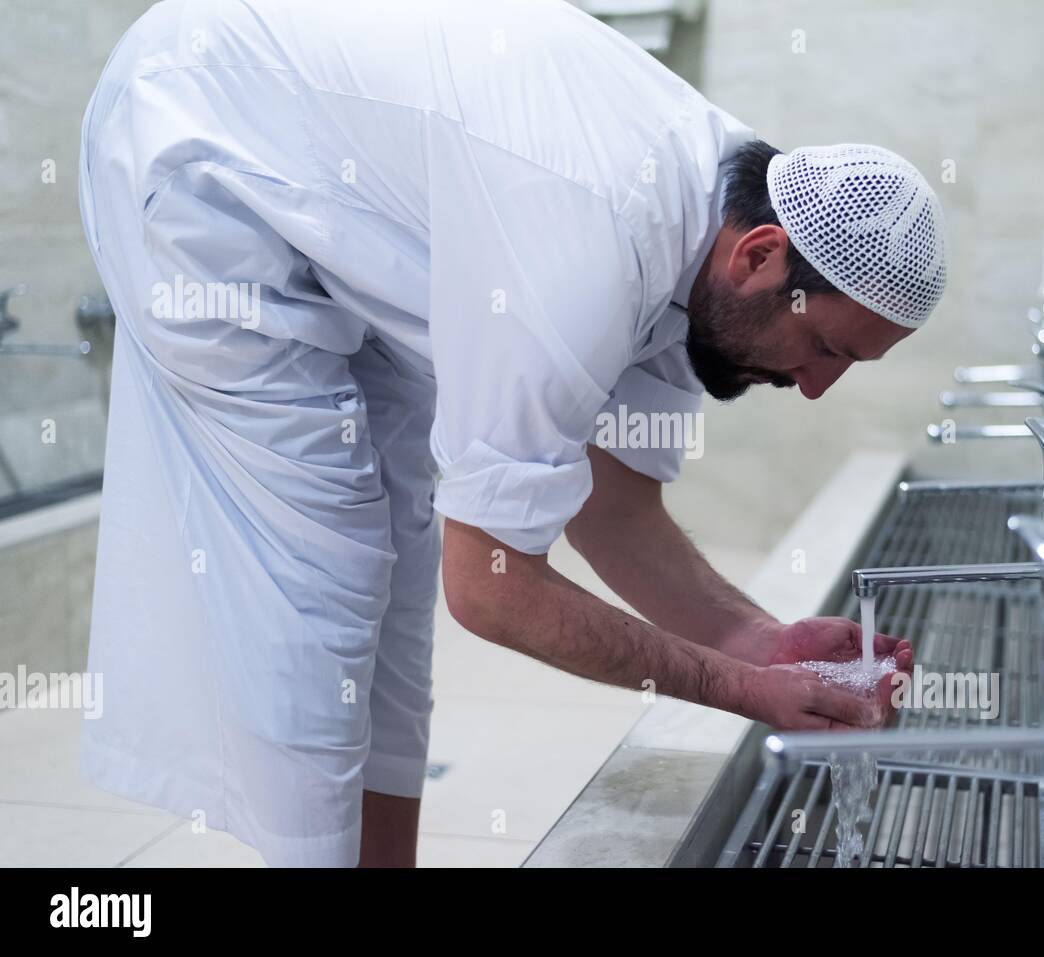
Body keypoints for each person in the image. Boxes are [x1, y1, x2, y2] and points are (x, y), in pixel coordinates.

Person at [78, 0, 945, 867]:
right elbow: (492, 588)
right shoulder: (593, 238)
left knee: (399, 552)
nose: (816, 388)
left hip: (320, 191)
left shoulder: (716, 243)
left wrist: (762, 642)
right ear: (759, 257)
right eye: (824, 347)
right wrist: (741, 687)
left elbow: (615, 508)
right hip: (196, 143)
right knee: (331, 569)